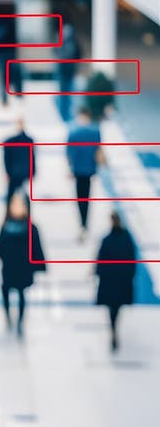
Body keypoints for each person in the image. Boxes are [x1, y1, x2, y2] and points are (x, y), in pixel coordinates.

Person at [0, 192, 46, 337]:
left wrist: (40, 266)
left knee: (22, 293)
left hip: (23, 267)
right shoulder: (6, 226)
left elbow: (37, 248)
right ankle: (8, 317)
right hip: (9, 266)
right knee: (6, 291)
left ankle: (20, 321)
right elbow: (0, 244)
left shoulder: (31, 228)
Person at [96, 211, 136, 352]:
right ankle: (114, 328)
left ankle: (113, 328)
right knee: (116, 307)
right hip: (120, 280)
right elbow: (132, 261)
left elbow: (100, 260)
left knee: (111, 308)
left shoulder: (107, 239)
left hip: (110, 280)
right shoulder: (126, 239)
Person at [67, 107, 102, 240]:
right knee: (86, 197)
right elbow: (98, 150)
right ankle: (84, 222)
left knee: (80, 197)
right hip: (89, 169)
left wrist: (69, 168)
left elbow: (70, 153)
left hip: (78, 169)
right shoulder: (95, 132)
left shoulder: (74, 132)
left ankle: (83, 223)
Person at [3, 118, 36, 203]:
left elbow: (32, 157)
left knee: (13, 196)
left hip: (16, 172)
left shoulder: (10, 141)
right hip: (20, 171)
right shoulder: (28, 140)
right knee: (18, 195)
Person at [56, 23, 82, 123]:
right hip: (66, 73)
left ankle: (65, 116)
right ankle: (65, 115)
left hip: (66, 73)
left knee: (66, 95)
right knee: (66, 95)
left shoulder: (68, 43)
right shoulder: (68, 42)